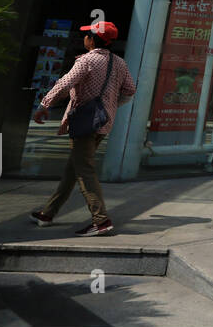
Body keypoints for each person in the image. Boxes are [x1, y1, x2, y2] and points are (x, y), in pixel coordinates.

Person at [29, 21, 136, 236]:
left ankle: (100, 220)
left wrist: (44, 105)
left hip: (84, 123)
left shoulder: (86, 60)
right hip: (104, 122)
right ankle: (48, 213)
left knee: (85, 171)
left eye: (87, 35)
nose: (84, 38)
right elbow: (130, 90)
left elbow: (64, 83)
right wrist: (111, 106)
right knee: (74, 167)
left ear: (93, 40)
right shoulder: (119, 63)